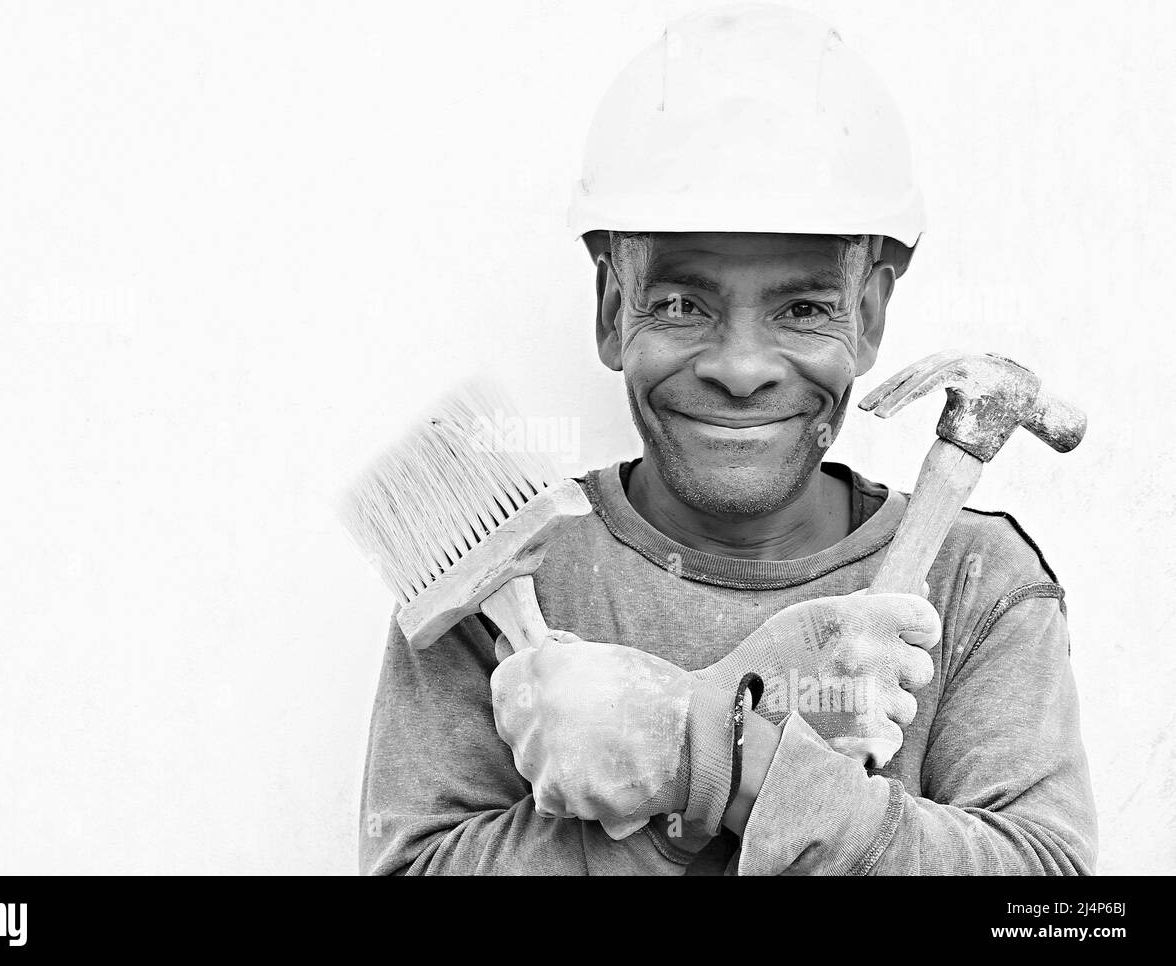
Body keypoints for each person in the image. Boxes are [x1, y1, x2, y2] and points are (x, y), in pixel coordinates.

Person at [359, 3, 1096, 875]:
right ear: (609, 310)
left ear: (868, 316)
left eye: (803, 308)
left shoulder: (976, 585)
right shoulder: (507, 575)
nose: (742, 367)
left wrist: (707, 752)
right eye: (681, 304)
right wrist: (714, 767)